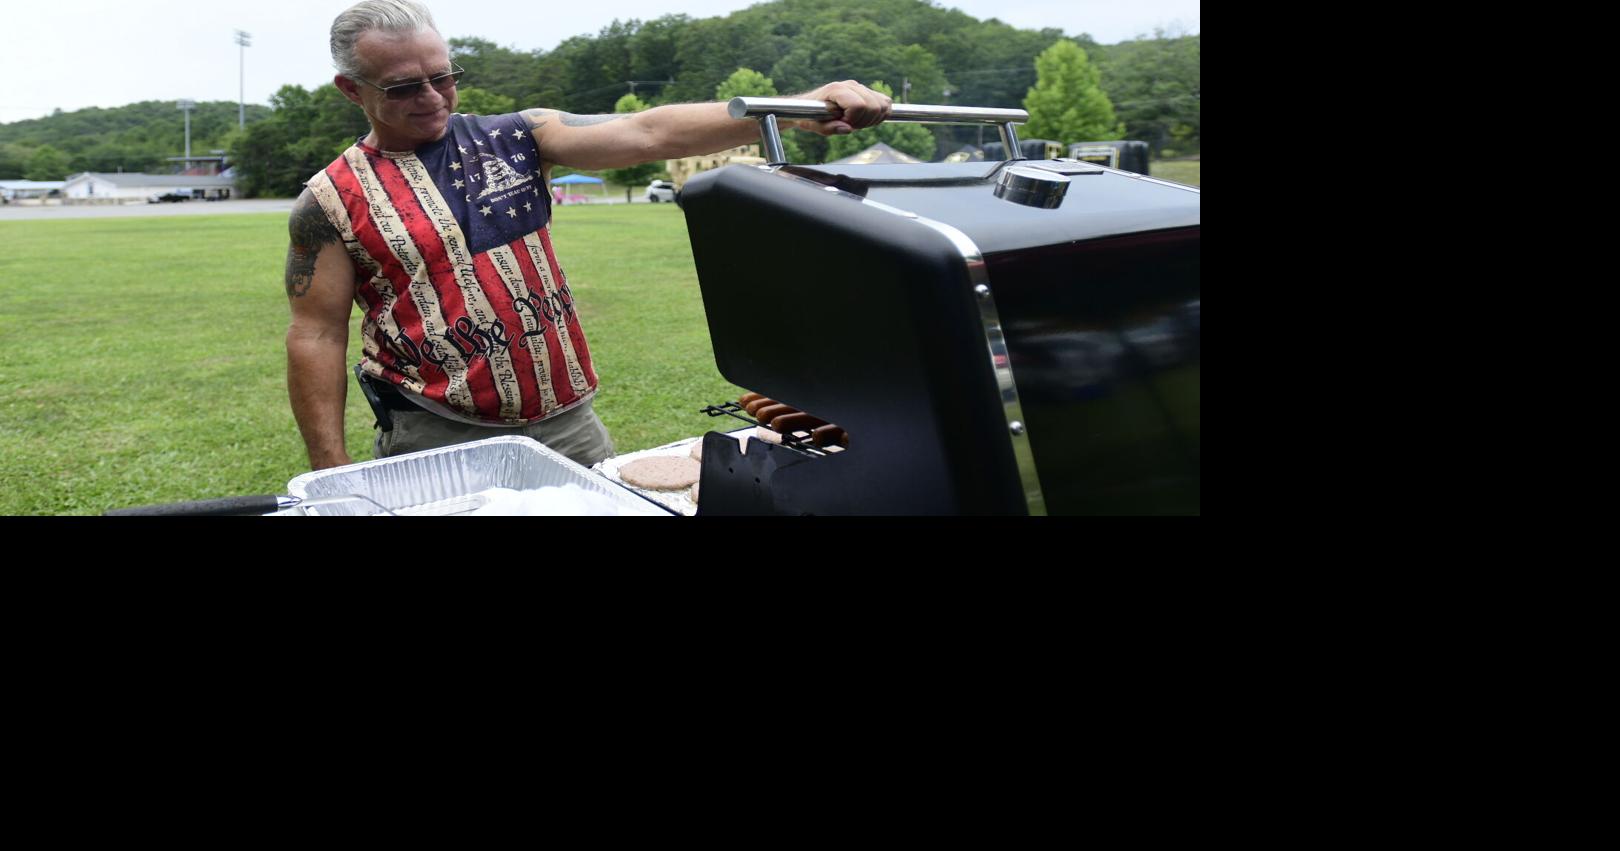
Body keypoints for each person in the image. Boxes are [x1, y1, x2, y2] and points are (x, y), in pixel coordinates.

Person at [285, 0, 891, 470]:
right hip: (436, 430)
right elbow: (317, 333)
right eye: (402, 87)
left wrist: (788, 108)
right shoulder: (329, 199)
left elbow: (648, 132)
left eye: (443, 77)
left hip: (569, 421)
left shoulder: (517, 136)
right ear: (351, 89)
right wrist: (330, 469)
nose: (431, 97)